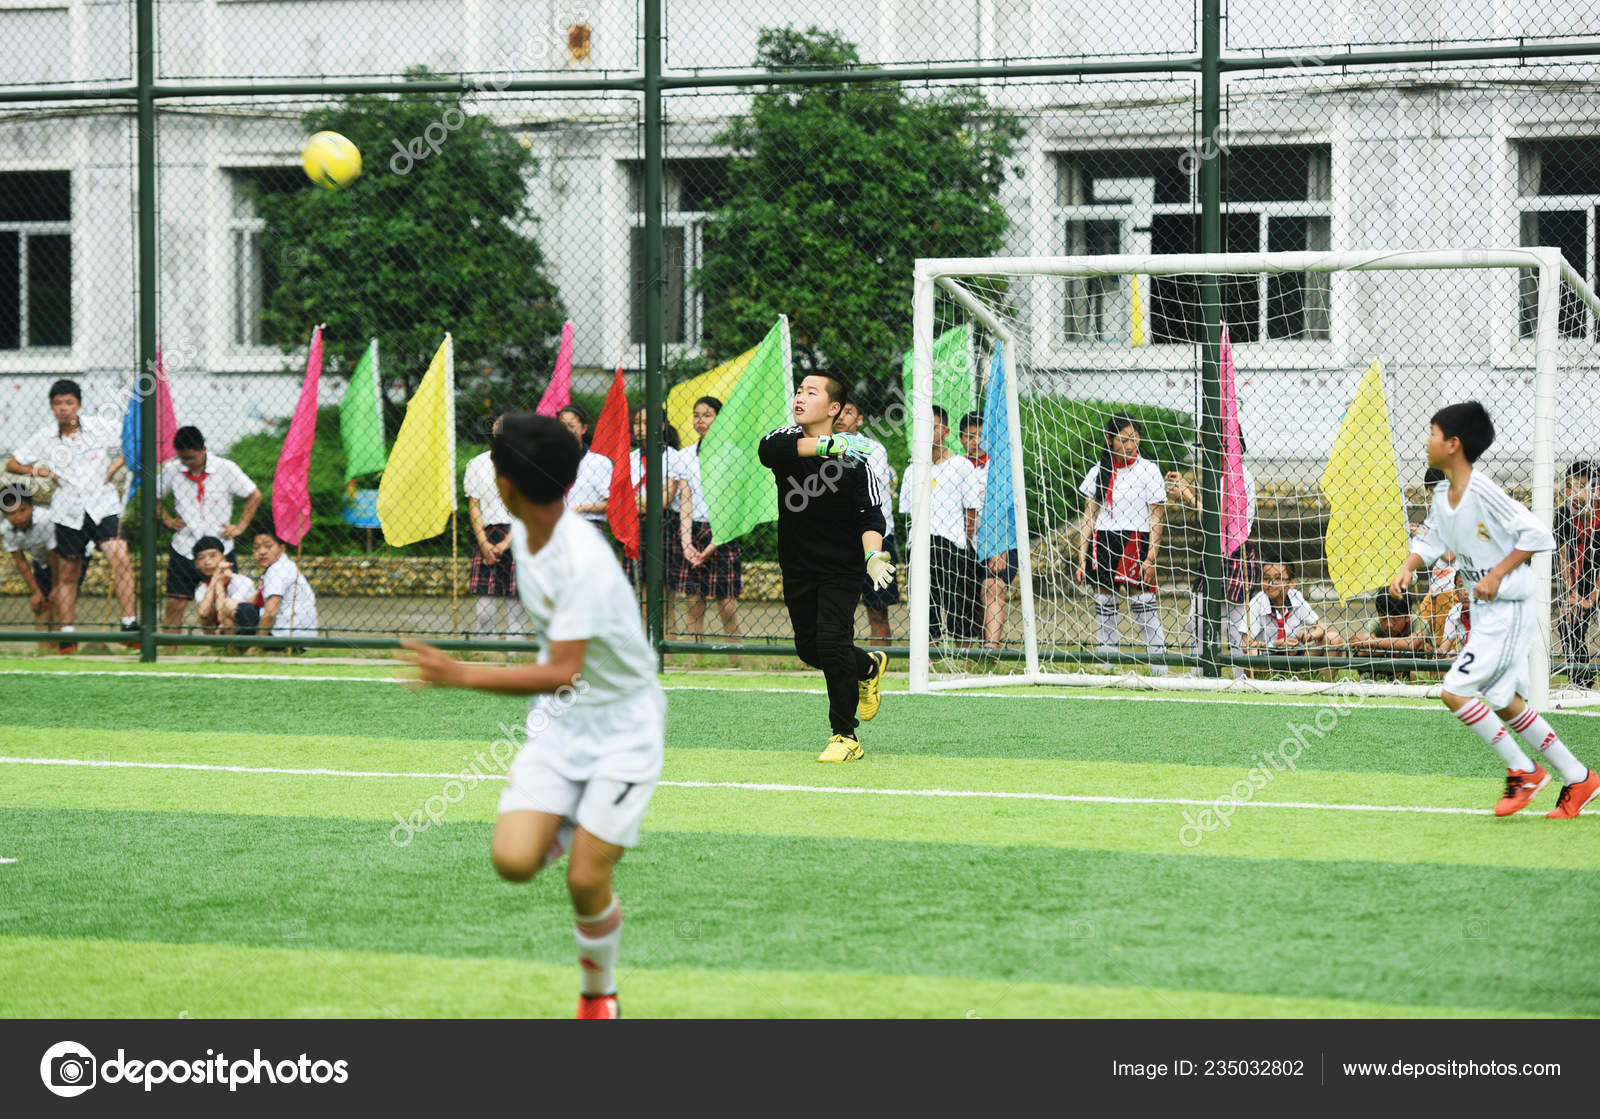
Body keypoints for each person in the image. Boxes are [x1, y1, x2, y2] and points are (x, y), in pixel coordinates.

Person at [399, 412, 666, 1019]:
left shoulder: (583, 561)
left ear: (506, 484)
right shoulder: (526, 532)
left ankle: (598, 996)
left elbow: (563, 670)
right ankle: (570, 820)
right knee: (514, 862)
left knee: (584, 881)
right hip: (562, 724)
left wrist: (461, 674)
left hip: (625, 731)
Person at [1386, 400, 1598, 818]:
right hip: (1486, 611)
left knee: (1454, 691)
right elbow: (1430, 538)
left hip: (1508, 609)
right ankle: (1579, 777)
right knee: (1503, 700)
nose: (1426, 441)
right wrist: (1409, 566)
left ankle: (1524, 771)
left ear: (1453, 444)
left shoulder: (1483, 492)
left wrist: (1498, 573)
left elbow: (1538, 535)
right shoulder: (1444, 494)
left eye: (1432, 433)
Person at [758, 374, 891, 762]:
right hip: (798, 565)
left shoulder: (856, 460)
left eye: (811, 393)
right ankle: (867, 666)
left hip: (841, 568)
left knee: (832, 644)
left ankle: (845, 736)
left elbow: (870, 515)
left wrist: (872, 556)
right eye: (799, 390)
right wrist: (828, 444)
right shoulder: (786, 438)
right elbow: (769, 451)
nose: (800, 397)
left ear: (834, 408)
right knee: (810, 648)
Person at [5, 379, 137, 642]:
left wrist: (118, 464)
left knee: (120, 558)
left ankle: (129, 623)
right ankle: (67, 634)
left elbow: (135, 441)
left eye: (69, 402)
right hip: (68, 511)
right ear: (51, 407)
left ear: (79, 404)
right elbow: (12, 464)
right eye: (58, 403)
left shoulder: (100, 427)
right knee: (68, 573)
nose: (64, 408)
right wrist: (40, 472)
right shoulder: (45, 437)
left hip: (103, 505)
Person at [1075, 412, 1168, 673]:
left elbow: (1156, 517)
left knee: (1144, 606)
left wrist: (1151, 558)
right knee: (1105, 609)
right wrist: (1082, 557)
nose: (1130, 445)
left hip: (1136, 541)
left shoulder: (1149, 470)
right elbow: (1089, 516)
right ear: (1110, 439)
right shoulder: (1098, 471)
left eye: (1134, 439)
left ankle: (1161, 669)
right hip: (1104, 540)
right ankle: (1107, 668)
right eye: (1123, 439)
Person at [1164, 440, 1259, 678]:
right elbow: (1213, 507)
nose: (1203, 449)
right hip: (1215, 553)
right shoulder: (1221, 475)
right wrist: (1187, 488)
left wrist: (1187, 496)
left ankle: (1241, 678)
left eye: (1206, 443)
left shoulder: (1239, 477)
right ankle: (1199, 675)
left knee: (1235, 627)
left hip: (1234, 553)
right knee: (1198, 620)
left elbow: (1219, 520)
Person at [156, 425, 261, 633]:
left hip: (220, 548)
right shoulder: (172, 470)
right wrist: (167, 519)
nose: (186, 463)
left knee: (225, 604)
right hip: (184, 547)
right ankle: (168, 649)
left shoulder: (226, 468)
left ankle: (224, 646)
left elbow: (254, 495)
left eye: (191, 458)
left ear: (203, 449)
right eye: (182, 458)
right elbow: (153, 496)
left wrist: (240, 526)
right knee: (175, 604)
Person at [898, 405, 981, 648]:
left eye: (932, 427)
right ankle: (929, 661)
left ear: (945, 431)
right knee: (925, 612)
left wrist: (964, 534)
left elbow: (971, 511)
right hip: (920, 545)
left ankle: (965, 659)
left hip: (952, 546)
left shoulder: (961, 466)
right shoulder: (912, 470)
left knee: (960, 610)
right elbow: (909, 513)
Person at [671, 397, 742, 656]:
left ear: (720, 419)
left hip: (724, 532)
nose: (700, 420)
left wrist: (715, 542)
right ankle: (696, 658)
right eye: (696, 415)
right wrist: (686, 543)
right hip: (694, 531)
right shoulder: (685, 456)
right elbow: (685, 500)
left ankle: (736, 659)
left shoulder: (734, 455)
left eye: (707, 414)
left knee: (727, 604)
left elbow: (735, 503)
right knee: (693, 602)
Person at [464, 416, 529, 642]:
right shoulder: (477, 464)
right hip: (487, 534)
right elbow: (474, 505)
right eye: (498, 424)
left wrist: (506, 543)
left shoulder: (526, 463)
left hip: (517, 533)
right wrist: (484, 543)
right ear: (492, 428)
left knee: (516, 605)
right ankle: (486, 651)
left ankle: (515, 653)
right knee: (484, 609)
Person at [838, 398, 897, 647]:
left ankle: (880, 661)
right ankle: (839, 660)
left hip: (875, 538)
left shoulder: (874, 448)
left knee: (877, 608)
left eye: (848, 412)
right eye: (838, 412)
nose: (841, 417)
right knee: (836, 610)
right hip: (840, 539)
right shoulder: (819, 447)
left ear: (860, 419)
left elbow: (860, 486)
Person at [959, 411, 1017, 651]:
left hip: (998, 540)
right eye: (970, 436)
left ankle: (991, 649)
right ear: (961, 438)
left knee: (993, 588)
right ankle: (966, 651)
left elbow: (1008, 510)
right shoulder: (957, 467)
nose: (976, 442)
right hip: (964, 542)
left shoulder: (1000, 468)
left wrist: (1000, 549)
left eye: (981, 436)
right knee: (967, 598)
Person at [0, 483, 80, 651]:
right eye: (11, 513)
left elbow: (54, 555)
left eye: (22, 510)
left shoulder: (45, 520)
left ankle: (61, 649)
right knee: (40, 605)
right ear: (4, 515)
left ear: (32, 506)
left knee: (58, 602)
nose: (18, 517)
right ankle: (44, 651)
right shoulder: (5, 529)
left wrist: (56, 587)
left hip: (64, 559)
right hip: (42, 562)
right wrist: (36, 592)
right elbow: (21, 561)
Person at [1238, 560, 1343, 677]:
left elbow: (1322, 627)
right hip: (1268, 660)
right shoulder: (1257, 602)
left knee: (1334, 638)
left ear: (1292, 583)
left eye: (1278, 578)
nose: (1271, 583)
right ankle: (1262, 683)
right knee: (1252, 652)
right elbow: (1246, 644)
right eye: (1266, 579)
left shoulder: (1295, 597)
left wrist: (1308, 636)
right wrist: (1276, 644)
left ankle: (1322, 683)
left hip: (1296, 658)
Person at [625, 407, 682, 603]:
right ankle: (644, 624)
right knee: (641, 587)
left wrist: (638, 500)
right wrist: (653, 499)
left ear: (662, 426)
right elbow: (622, 499)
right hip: (635, 525)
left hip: (665, 525)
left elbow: (664, 502)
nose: (640, 428)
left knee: (664, 587)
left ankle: (667, 624)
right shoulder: (630, 458)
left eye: (646, 423)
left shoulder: (673, 457)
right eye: (637, 423)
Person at [1554, 459, 1598, 688]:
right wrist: (1572, 594)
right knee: (1567, 623)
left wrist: (1591, 600)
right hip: (1581, 583)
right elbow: (1564, 558)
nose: (1573, 493)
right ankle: (1582, 682)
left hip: (1596, 582)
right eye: (1570, 487)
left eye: (1580, 486)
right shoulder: (1564, 514)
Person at [250, 530, 319, 651]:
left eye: (268, 546)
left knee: (242, 610)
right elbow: (256, 599)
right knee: (239, 606)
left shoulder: (278, 570)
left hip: (285, 637)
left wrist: (256, 646)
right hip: (303, 639)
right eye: (256, 548)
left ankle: (247, 648)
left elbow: (270, 613)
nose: (262, 552)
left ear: (282, 549)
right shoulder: (284, 565)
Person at [1412, 467, 1458, 643]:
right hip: (1435, 587)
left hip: (1449, 587)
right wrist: (1419, 530)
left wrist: (1421, 534)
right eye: (1432, 492)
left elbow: (1450, 555)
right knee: (1419, 633)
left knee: (1442, 640)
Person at [1347, 586, 1430, 679]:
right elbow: (1362, 653)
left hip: (1413, 666)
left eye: (1395, 619)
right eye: (1384, 618)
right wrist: (1401, 647)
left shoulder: (1420, 623)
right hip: (1387, 666)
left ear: (1408, 616)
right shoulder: (1375, 623)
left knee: (1417, 663)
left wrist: (1373, 641)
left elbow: (1412, 644)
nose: (1389, 625)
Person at [559, 404, 613, 535]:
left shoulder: (598, 462)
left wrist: (581, 508)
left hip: (587, 526)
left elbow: (611, 503)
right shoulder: (551, 461)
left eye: (571, 426)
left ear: (584, 429)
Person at [190, 535, 257, 636]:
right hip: (220, 630)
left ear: (223, 558)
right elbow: (203, 613)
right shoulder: (202, 588)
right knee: (207, 611)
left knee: (229, 619)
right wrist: (216, 580)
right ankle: (214, 644)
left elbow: (225, 614)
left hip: (246, 628)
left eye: (213, 556)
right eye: (201, 558)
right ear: (196, 564)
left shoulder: (242, 581)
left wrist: (219, 583)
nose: (207, 562)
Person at [1436, 575, 1472, 657]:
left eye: (1470, 585)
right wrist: (1439, 653)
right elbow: (1444, 647)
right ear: (1456, 591)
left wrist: (1458, 657)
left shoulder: (1488, 612)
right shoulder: (1455, 612)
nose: (1466, 592)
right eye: (1461, 586)